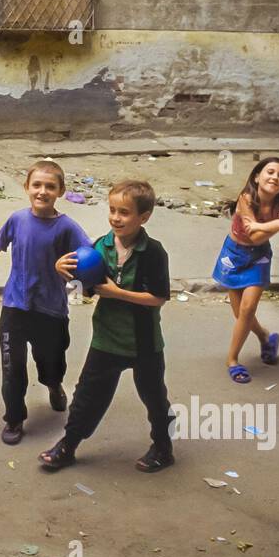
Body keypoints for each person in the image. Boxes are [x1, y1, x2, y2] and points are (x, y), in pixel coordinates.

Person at [39, 181, 175, 473]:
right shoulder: (100, 247)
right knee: (87, 395)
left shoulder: (153, 252)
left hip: (144, 343)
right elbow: (84, 290)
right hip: (106, 339)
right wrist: (63, 272)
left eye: (124, 212)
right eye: (112, 210)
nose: (116, 217)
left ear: (144, 216)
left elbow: (158, 299)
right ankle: (68, 446)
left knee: (154, 399)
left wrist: (118, 293)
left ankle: (163, 448)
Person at [0, 160, 91, 444]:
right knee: (12, 368)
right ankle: (13, 418)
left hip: (51, 310)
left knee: (51, 361)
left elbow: (89, 255)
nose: (42, 191)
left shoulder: (67, 227)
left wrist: (70, 269)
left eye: (50, 186)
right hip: (15, 306)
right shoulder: (17, 219)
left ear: (61, 191)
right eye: (37, 185)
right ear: (26, 188)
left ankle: (53, 384)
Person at [212, 158, 279, 384]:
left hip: (259, 257)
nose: (275, 177)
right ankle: (265, 337)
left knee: (248, 308)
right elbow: (254, 235)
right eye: (270, 172)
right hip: (233, 255)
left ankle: (232, 360)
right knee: (241, 314)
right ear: (256, 177)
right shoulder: (246, 198)